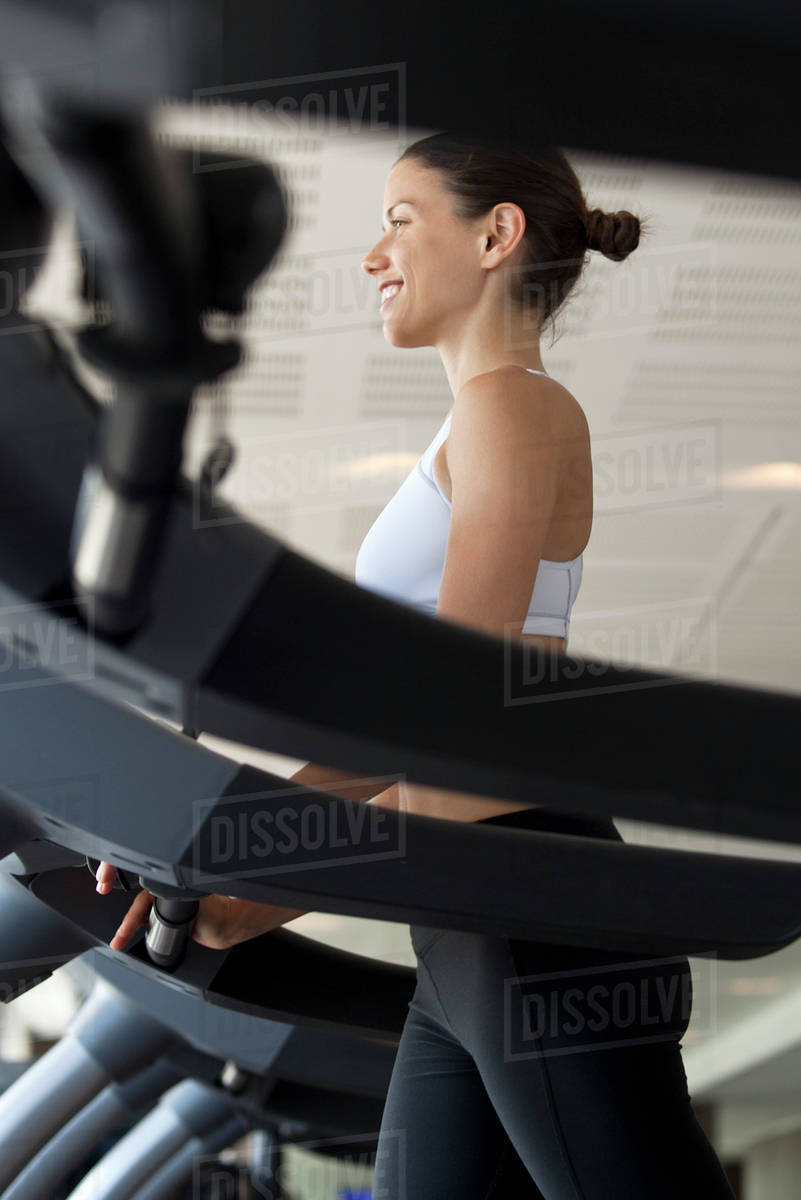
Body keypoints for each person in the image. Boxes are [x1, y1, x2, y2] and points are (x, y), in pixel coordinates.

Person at [99, 131, 735, 1197]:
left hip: (534, 904)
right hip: (469, 922)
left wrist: (256, 897)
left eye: (399, 221)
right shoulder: (478, 422)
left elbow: (466, 738)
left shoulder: (516, 405)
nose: (372, 255)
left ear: (496, 236)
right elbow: (400, 741)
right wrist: (215, 856)